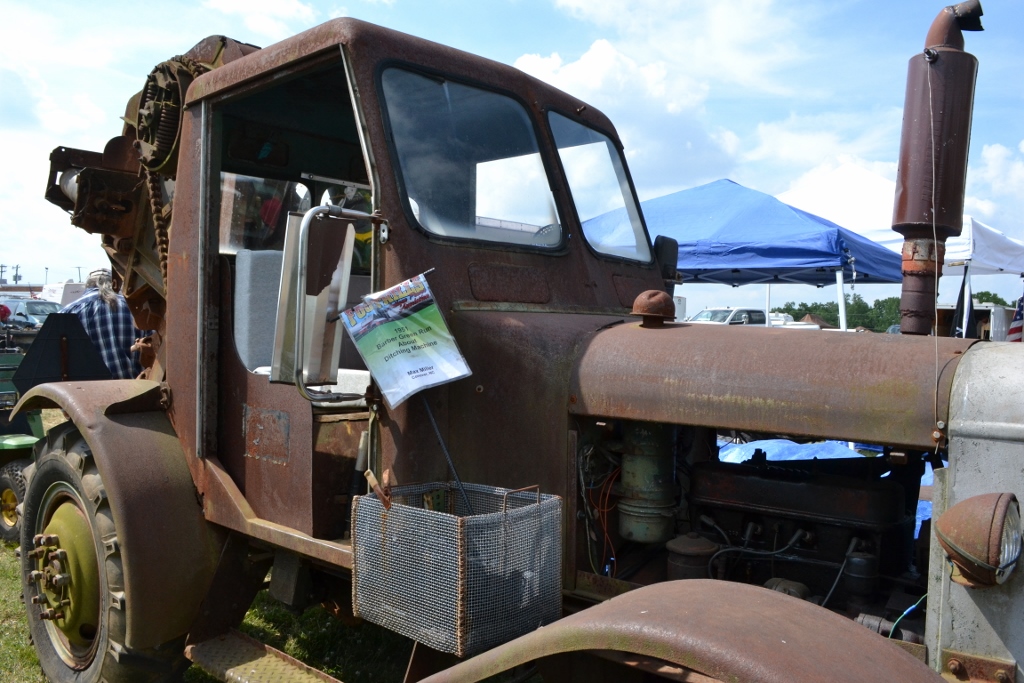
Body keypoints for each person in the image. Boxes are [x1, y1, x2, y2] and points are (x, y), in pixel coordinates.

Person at [61, 269, 148, 379]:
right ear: (114, 284)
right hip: (139, 389)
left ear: (87, 286)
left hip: (86, 391)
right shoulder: (138, 309)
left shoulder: (68, 312)